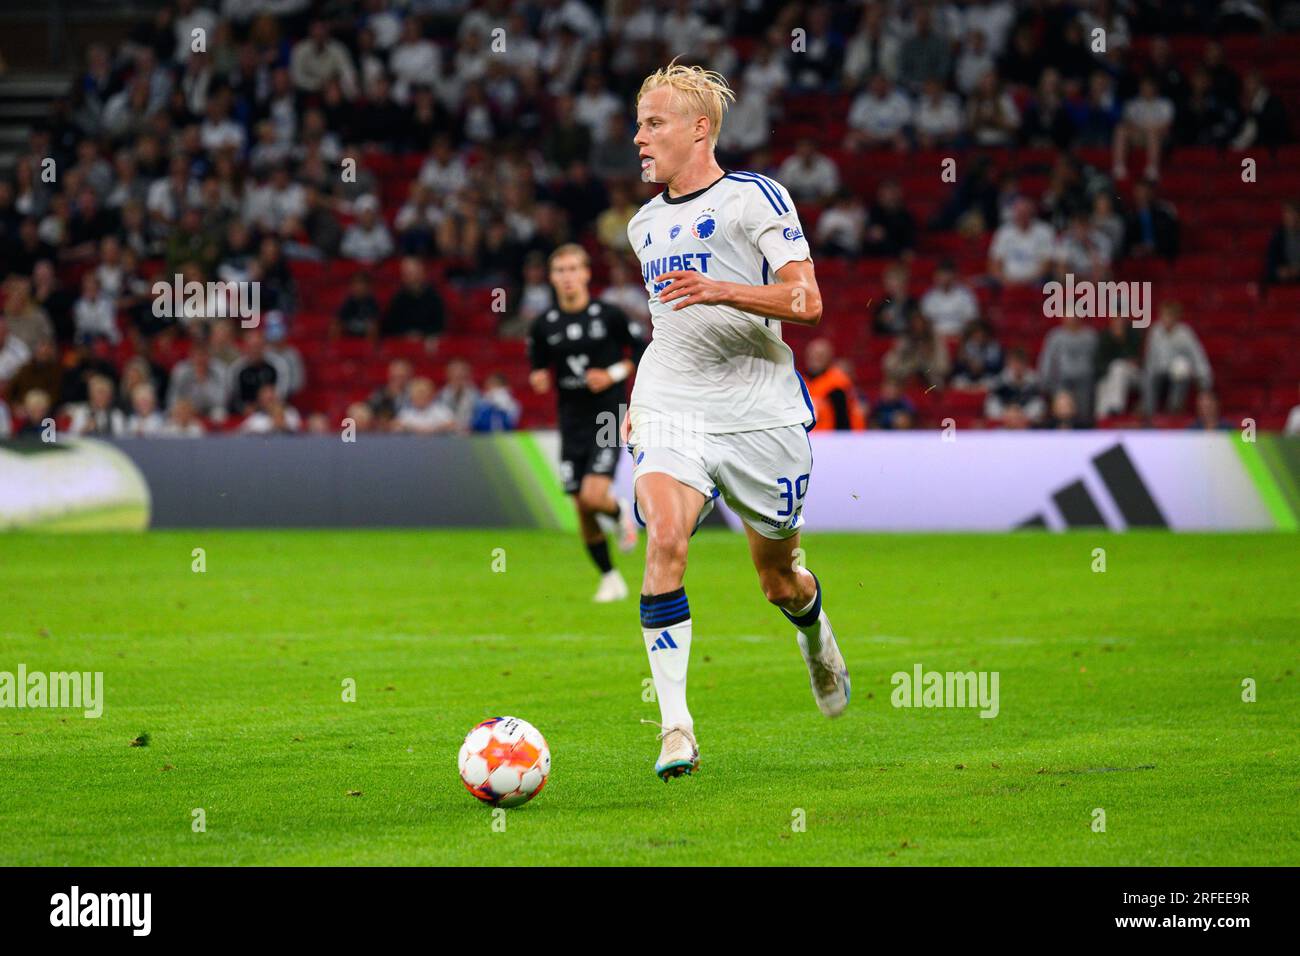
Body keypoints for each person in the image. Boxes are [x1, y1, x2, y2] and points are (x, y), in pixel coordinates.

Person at [626, 61, 849, 781]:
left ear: (700, 129)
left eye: (653, 123)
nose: (639, 137)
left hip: (759, 416)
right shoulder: (643, 224)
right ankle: (676, 729)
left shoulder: (756, 198)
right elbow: (669, 324)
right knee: (664, 539)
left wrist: (721, 288)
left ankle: (814, 637)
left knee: (779, 578)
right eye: (637, 123)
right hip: (673, 407)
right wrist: (641, 398)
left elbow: (807, 302)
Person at [528, 243, 645, 603]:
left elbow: (642, 353)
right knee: (581, 505)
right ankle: (610, 577)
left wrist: (610, 374)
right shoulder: (544, 324)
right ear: (551, 278)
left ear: (586, 273)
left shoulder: (609, 314)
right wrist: (538, 378)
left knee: (595, 497)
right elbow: (537, 366)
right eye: (559, 271)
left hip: (609, 414)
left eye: (573, 269)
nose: (567, 277)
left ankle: (621, 510)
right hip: (572, 419)